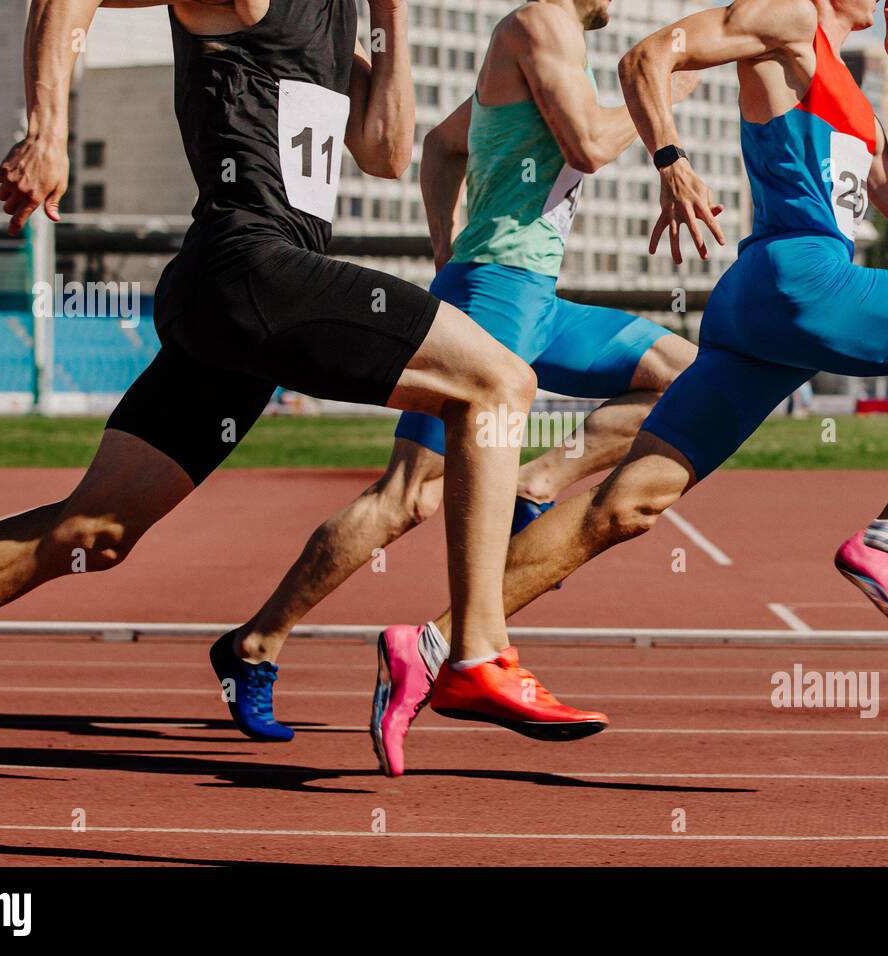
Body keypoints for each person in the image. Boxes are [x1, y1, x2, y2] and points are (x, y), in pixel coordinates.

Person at [380, 0, 888, 772]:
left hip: (763, 313)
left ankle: (434, 644)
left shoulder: (843, 76)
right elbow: (647, 58)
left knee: (625, 508)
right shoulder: (788, 18)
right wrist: (672, 162)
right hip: (805, 280)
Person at [0, 0, 551, 731]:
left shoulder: (336, 21)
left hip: (243, 300)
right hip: (247, 267)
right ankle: (476, 656)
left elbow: (384, 153)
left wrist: (388, 18)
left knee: (90, 534)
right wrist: (46, 132)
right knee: (498, 383)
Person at [215, 0, 702, 777]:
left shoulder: (559, 43)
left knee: (688, 378)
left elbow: (444, 148)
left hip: (534, 296)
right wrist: (661, 91)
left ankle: (537, 481)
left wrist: (446, 254)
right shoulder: (540, 21)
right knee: (407, 497)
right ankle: (255, 642)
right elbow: (589, 142)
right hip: (497, 295)